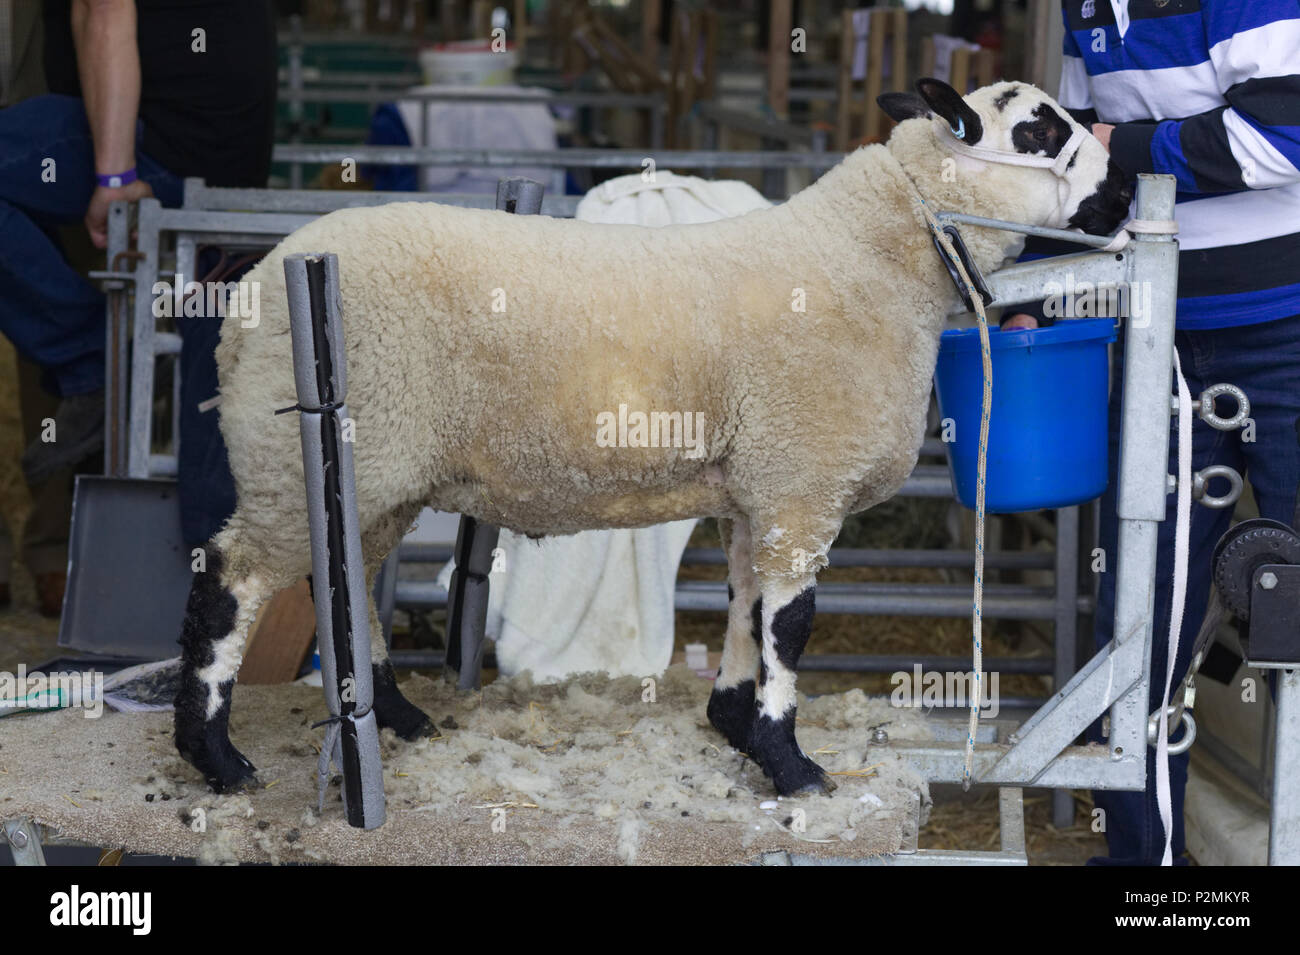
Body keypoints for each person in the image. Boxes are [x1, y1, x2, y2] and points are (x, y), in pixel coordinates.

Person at [1005, 0, 1300, 864]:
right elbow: (1072, 162)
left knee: (1293, 609)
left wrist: (1120, 145)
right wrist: (1031, 286)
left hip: (1290, 323)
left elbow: (1278, 141)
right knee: (1142, 614)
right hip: (1160, 332)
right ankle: (1148, 871)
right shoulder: (1085, 9)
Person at [0, 0, 277, 489]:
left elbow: (103, 9)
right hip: (222, 138)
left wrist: (115, 179)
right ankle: (93, 362)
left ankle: (92, 359)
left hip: (164, 138)